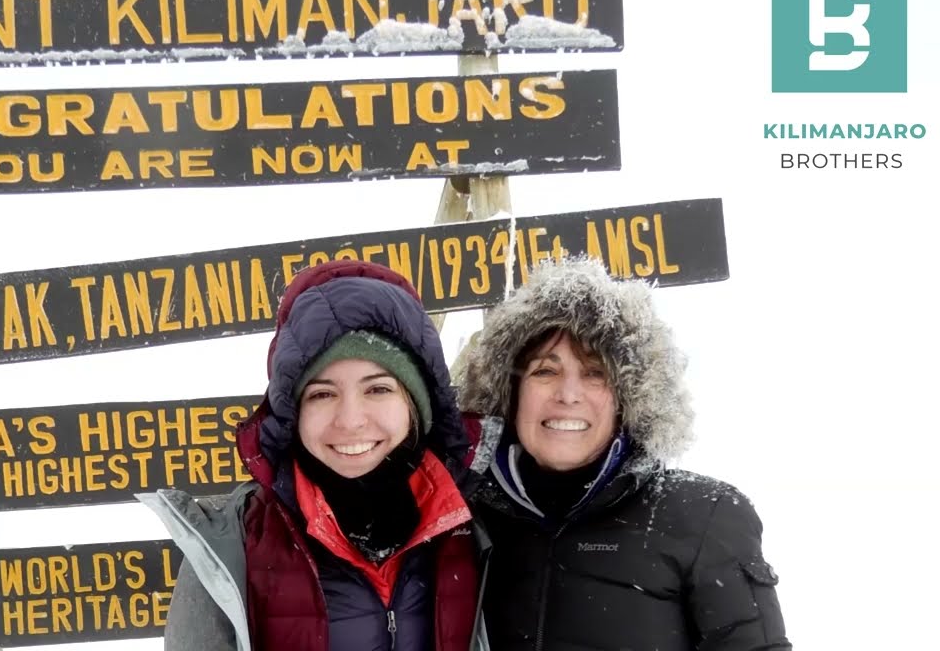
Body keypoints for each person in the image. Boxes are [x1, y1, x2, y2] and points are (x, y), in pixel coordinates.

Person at [139, 259, 503, 651]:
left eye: (378, 389)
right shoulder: (229, 550)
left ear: (416, 403)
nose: (350, 420)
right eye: (322, 394)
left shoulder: (473, 527)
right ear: (293, 415)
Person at [457, 256, 791, 650]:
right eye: (545, 371)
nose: (567, 394)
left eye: (595, 373)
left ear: (630, 396)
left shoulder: (703, 516)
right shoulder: (466, 518)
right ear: (510, 394)